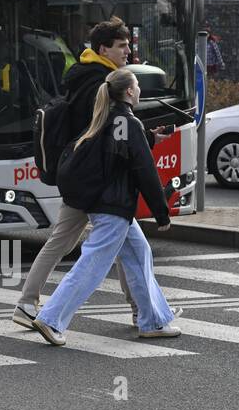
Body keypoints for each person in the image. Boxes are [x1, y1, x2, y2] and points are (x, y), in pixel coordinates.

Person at [32, 68, 180, 345]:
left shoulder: (102, 118)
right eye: (137, 86)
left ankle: (153, 320)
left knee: (139, 252)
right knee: (93, 264)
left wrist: (145, 138)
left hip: (102, 202)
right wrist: (161, 212)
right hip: (113, 206)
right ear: (129, 92)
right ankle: (51, 319)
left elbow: (116, 151)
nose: (139, 91)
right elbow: (143, 169)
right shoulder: (128, 122)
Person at [14, 18, 145, 328]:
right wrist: (146, 139)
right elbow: (107, 131)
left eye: (128, 44)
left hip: (82, 175)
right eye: (121, 45)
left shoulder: (87, 74)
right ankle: (142, 311)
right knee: (125, 244)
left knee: (65, 242)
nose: (128, 50)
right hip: (97, 180)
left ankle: (26, 302)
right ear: (104, 49)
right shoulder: (100, 82)